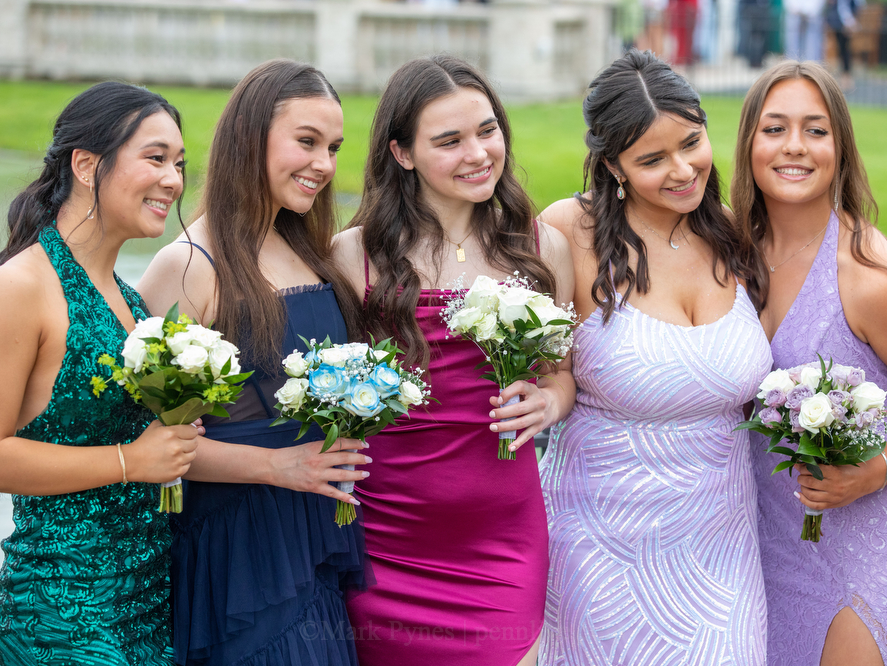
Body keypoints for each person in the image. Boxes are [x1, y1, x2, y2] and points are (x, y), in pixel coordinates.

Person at [333, 54, 576, 666]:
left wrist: (550, 401)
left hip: (502, 542)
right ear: (402, 153)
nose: (478, 153)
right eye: (450, 140)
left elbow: (561, 374)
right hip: (387, 539)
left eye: (487, 130)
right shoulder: (351, 257)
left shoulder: (543, 248)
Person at [536, 49, 772, 665]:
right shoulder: (568, 231)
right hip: (599, 550)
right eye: (651, 159)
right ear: (612, 164)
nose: (682, 169)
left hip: (723, 548)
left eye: (692, 143)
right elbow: (543, 372)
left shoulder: (732, 232)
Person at [138, 60, 370, 666]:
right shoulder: (188, 265)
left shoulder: (307, 252)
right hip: (237, 551)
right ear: (249, 139)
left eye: (334, 148)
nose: (323, 163)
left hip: (313, 533)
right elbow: (155, 445)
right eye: (307, 141)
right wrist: (281, 467)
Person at [732, 60, 887, 666]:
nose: (794, 147)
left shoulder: (871, 279)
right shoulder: (728, 255)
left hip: (871, 539)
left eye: (816, 130)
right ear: (750, 142)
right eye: (775, 128)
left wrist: (869, 473)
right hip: (767, 537)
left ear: (841, 148)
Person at [0, 81, 200, 664]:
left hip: (148, 596)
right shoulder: (19, 287)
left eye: (178, 163)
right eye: (155, 158)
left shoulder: (130, 301)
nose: (173, 179)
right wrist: (130, 462)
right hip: (63, 611)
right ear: (87, 165)